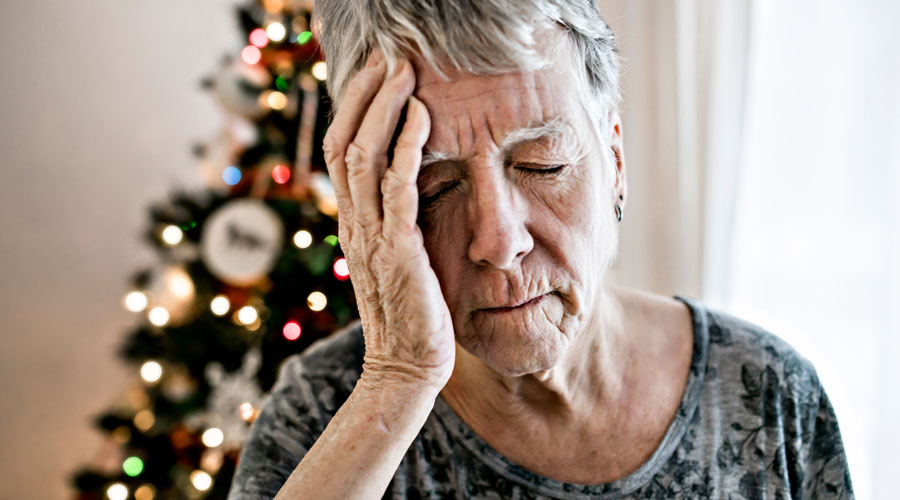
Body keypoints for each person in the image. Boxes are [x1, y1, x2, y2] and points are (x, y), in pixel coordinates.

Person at [227, 0, 854, 498]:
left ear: (613, 156)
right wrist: (397, 383)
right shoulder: (319, 419)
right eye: (435, 185)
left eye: (541, 163)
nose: (498, 241)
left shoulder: (770, 394)